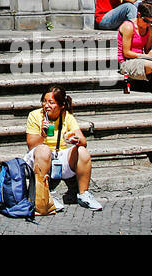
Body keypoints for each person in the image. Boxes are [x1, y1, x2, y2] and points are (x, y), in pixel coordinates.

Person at [24, 85, 101, 213]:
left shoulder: (67, 117)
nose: (46, 105)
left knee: (82, 151)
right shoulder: (35, 115)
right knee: (44, 150)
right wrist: (42, 134)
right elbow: (31, 145)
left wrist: (76, 140)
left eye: (51, 102)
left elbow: (83, 141)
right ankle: (45, 196)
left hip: (59, 156)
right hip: (38, 157)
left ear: (61, 105)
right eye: (44, 101)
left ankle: (83, 194)